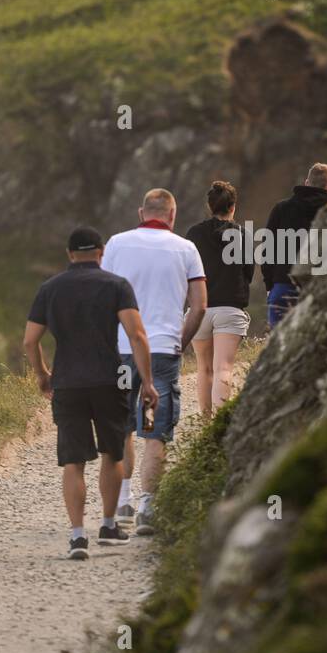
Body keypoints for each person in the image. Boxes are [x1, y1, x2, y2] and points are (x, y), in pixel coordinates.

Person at [22, 226, 158, 561]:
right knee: (113, 452)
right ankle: (109, 526)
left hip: (67, 383)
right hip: (109, 381)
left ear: (69, 254)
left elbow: (29, 341)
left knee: (73, 460)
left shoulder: (50, 288)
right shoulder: (116, 286)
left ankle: (77, 536)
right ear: (101, 252)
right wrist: (149, 382)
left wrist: (43, 375)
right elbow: (137, 335)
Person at [102, 189, 207, 535]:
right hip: (161, 352)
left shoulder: (116, 244)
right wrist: (180, 341)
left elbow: (101, 296)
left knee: (122, 426)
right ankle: (148, 507)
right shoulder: (186, 249)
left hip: (121, 351)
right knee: (154, 429)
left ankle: (123, 501)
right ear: (172, 215)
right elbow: (200, 306)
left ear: (141, 211)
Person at [185, 180, 253, 418]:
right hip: (230, 308)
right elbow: (249, 273)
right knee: (223, 367)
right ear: (233, 207)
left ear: (209, 205)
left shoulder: (193, 234)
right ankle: (219, 428)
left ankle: (205, 424)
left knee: (204, 369)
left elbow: (186, 271)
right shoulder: (243, 235)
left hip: (200, 309)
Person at [262, 162, 327, 327]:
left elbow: (267, 250)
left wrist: (270, 285)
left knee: (278, 349)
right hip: (320, 290)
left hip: (283, 286)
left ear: (307, 182)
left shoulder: (282, 209)